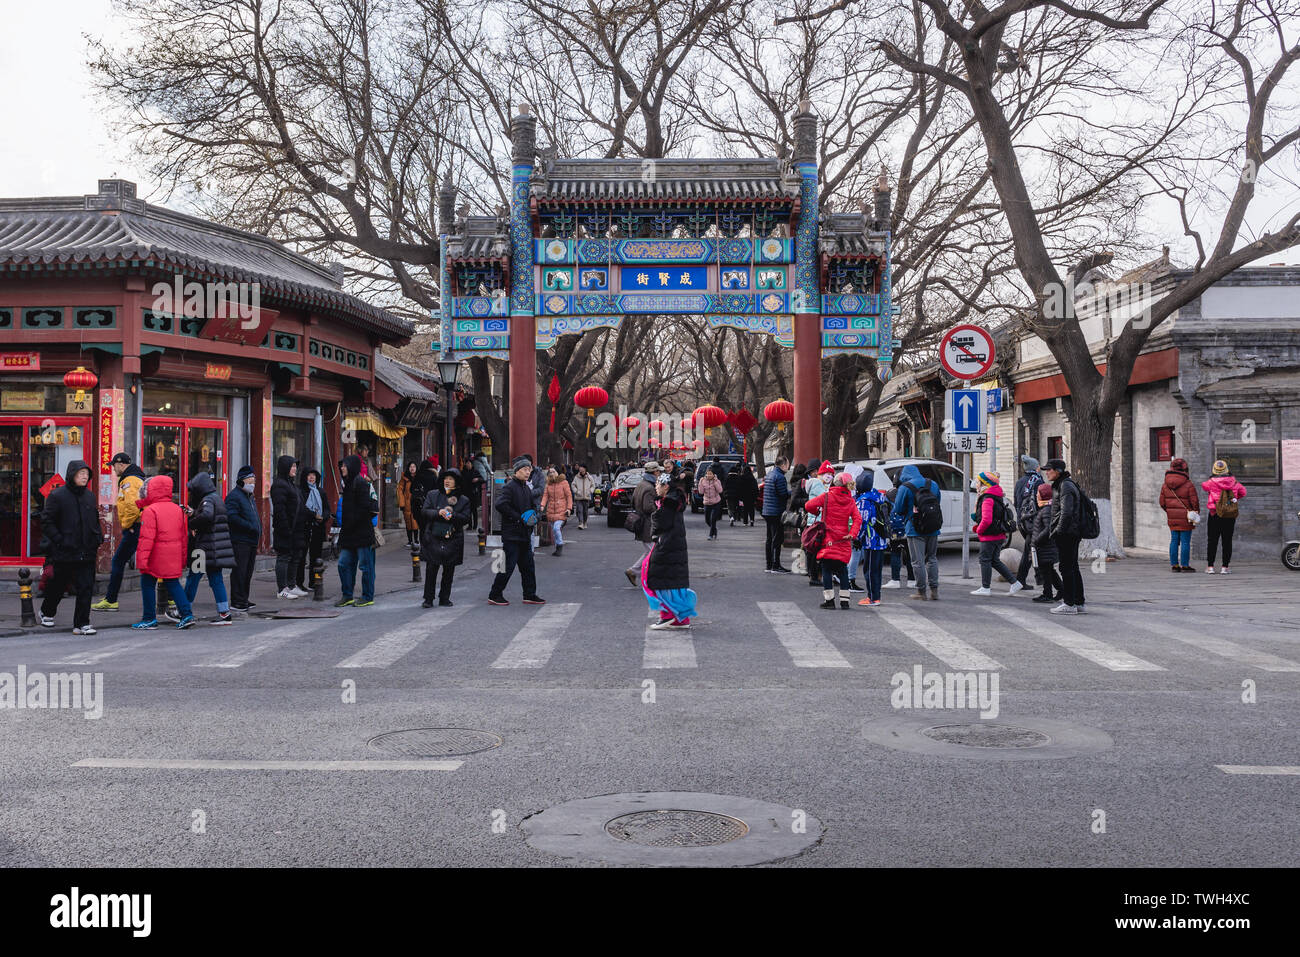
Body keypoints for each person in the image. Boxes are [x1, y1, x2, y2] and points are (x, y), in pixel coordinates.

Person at [37, 460, 102, 635]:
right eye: (81, 473)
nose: (84, 476)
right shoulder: (57, 495)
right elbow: (47, 521)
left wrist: (98, 538)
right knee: (59, 584)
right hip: (65, 550)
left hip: (86, 549)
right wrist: (59, 540)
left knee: (86, 587)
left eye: (87, 474)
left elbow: (94, 519)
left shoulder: (89, 495)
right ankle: (47, 612)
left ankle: (82, 623)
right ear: (71, 474)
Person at [131, 475, 196, 630]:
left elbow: (147, 539)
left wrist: (142, 560)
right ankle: (186, 615)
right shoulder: (177, 509)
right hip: (172, 554)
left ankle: (149, 618)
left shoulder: (150, 511)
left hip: (155, 555)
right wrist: (182, 558)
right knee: (173, 584)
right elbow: (183, 537)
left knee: (147, 584)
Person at [488, 456, 546, 606]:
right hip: (512, 535)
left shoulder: (526, 487)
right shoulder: (509, 486)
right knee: (506, 566)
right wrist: (518, 517)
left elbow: (532, 506)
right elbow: (500, 504)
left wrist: (535, 515)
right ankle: (495, 594)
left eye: (529, 470)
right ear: (517, 471)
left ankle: (529, 594)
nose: (528, 472)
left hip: (525, 534)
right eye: (525, 469)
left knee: (528, 567)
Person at [93, 452, 147, 611]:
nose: (113, 469)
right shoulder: (136, 477)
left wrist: (126, 525)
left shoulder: (129, 481)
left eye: (114, 466)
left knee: (117, 561)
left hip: (134, 527)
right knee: (150, 562)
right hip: (138, 525)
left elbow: (132, 507)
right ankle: (171, 599)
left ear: (121, 464)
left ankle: (111, 600)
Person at [643, 472, 697, 629]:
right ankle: (681, 619)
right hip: (673, 546)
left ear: (666, 486)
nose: (656, 488)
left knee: (653, 576)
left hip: (667, 545)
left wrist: (656, 514)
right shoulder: (672, 500)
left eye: (658, 485)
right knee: (673, 581)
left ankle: (667, 615)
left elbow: (660, 524)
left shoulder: (669, 503)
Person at [805, 471, 862, 609]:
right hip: (843, 539)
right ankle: (845, 601)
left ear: (835, 483)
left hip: (828, 540)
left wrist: (817, 512)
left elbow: (808, 506)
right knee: (842, 570)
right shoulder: (850, 501)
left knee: (826, 569)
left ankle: (829, 601)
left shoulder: (826, 497)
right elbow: (858, 519)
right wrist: (852, 534)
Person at [183, 471, 234, 624]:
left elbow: (206, 516)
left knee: (193, 578)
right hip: (214, 549)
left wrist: (192, 522)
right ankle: (224, 613)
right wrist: (194, 513)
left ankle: (183, 610)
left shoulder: (207, 500)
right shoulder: (216, 498)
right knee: (216, 579)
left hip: (204, 548)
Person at [420, 467, 471, 607]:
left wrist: (452, 515)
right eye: (445, 479)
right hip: (434, 536)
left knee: (449, 570)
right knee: (431, 568)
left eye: (451, 479)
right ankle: (428, 598)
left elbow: (466, 518)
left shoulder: (463, 499)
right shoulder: (433, 494)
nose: (447, 481)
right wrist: (438, 513)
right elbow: (424, 512)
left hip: (453, 537)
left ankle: (444, 597)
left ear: (457, 482)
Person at [335, 453, 379, 607]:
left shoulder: (360, 483)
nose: (342, 468)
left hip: (362, 533)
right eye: (342, 465)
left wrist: (351, 523)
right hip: (349, 534)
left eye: (345, 465)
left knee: (365, 566)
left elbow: (364, 508)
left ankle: (367, 596)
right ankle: (347, 595)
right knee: (343, 564)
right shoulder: (347, 483)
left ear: (352, 466)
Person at [894, 464, 942, 601]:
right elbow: (937, 501)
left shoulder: (905, 487)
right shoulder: (932, 484)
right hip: (933, 526)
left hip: (914, 529)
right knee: (932, 558)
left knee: (918, 561)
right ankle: (934, 590)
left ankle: (921, 592)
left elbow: (898, 508)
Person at [1044, 457, 1086, 614]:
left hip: (1067, 533)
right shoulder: (1064, 484)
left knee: (1066, 568)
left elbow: (1067, 512)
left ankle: (1069, 604)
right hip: (1070, 532)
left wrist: (1058, 531)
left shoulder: (1065, 486)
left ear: (1058, 471)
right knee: (1072, 567)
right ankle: (1078, 602)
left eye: (1049, 469)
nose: (1047, 472)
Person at [969, 470, 1016, 596]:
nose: (976, 484)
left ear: (984, 483)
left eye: (978, 482)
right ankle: (1015, 583)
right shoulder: (994, 495)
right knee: (994, 561)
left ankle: (985, 587)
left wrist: (978, 530)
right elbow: (979, 516)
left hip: (989, 535)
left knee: (984, 560)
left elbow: (987, 519)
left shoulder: (988, 498)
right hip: (997, 534)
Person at [225, 465, 260, 610]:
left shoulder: (249, 497)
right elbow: (231, 517)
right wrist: (249, 526)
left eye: (253, 481)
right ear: (241, 481)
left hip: (251, 540)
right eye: (249, 481)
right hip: (240, 540)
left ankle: (244, 598)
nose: (252, 484)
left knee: (247, 572)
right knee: (240, 571)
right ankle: (237, 601)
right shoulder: (234, 496)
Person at [1202, 459, 1246, 574]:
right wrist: (1233, 500)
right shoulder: (1234, 482)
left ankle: (1210, 567)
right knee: (1227, 541)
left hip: (1214, 514)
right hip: (1229, 514)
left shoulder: (1210, 482)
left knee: (1212, 540)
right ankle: (1225, 567)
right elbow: (1243, 492)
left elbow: (1204, 486)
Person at [854, 469, 891, 607]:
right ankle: (876, 596)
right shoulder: (878, 495)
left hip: (871, 540)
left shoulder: (864, 501)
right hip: (880, 539)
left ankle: (873, 598)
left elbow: (862, 522)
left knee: (869, 570)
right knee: (876, 570)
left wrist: (857, 538)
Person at [270, 455, 305, 599]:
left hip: (295, 528)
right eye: (292, 466)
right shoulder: (279, 484)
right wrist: (285, 528)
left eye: (296, 466)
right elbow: (280, 509)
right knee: (284, 556)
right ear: (285, 468)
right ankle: (282, 589)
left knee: (295, 556)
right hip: (285, 528)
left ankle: (291, 585)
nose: (295, 469)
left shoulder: (291, 484)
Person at [1159, 457, 1199, 573]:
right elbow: (1194, 501)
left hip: (1172, 518)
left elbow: (1162, 502)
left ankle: (1174, 565)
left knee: (1174, 541)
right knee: (1185, 542)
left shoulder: (1165, 484)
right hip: (1186, 518)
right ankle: (1185, 565)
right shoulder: (1188, 484)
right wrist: (1195, 512)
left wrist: (1170, 512)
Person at [625, 460, 662, 585]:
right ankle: (648, 576)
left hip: (642, 522)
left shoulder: (641, 484)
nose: (659, 474)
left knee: (650, 551)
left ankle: (633, 571)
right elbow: (648, 507)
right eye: (658, 471)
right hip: (647, 524)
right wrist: (659, 508)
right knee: (655, 553)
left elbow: (633, 502)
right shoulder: (649, 487)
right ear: (654, 472)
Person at [1012, 455, 1044, 593]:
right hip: (1034, 521)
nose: (1039, 469)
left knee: (1033, 548)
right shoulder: (1037, 481)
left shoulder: (1019, 482)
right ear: (1034, 468)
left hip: (1023, 521)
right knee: (1031, 550)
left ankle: (1038, 577)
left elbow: (1016, 502)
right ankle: (1022, 580)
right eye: (1038, 466)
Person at [295, 468, 329, 592]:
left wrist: (323, 517)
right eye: (309, 475)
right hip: (304, 527)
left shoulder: (321, 492)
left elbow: (327, 509)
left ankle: (315, 582)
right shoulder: (300, 491)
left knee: (317, 558)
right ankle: (299, 583)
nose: (311, 477)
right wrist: (314, 516)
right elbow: (301, 509)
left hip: (318, 528)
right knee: (301, 557)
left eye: (314, 475)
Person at [1030, 483, 1061, 604]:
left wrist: (1037, 540)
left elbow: (1048, 528)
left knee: (1046, 571)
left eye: (1038, 493)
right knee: (1049, 571)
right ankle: (1060, 589)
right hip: (1045, 546)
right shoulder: (1046, 508)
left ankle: (1047, 594)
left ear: (1043, 495)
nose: (1037, 495)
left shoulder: (1047, 509)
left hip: (1045, 546)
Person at [883, 479, 914, 589]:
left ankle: (895, 579)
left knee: (895, 553)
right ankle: (912, 580)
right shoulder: (909, 491)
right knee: (910, 555)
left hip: (894, 530)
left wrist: (887, 530)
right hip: (908, 527)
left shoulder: (889, 493)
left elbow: (885, 512)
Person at [761, 457, 791, 573]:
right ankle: (776, 565)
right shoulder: (780, 477)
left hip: (767, 511)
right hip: (776, 511)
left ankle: (769, 565)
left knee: (769, 538)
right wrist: (793, 492)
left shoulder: (770, 475)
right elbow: (782, 494)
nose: (787, 467)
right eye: (787, 464)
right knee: (777, 539)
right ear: (783, 465)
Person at [539, 467, 572, 556]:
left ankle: (560, 545)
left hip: (562, 510)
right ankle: (557, 547)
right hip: (550, 511)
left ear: (558, 473)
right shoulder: (548, 484)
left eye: (553, 471)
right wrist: (542, 505)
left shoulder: (564, 483)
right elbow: (545, 496)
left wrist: (569, 509)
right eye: (550, 472)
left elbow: (569, 496)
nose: (551, 473)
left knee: (556, 528)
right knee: (554, 531)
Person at [397, 461, 420, 549]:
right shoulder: (404, 478)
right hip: (407, 504)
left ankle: (416, 540)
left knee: (415, 522)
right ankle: (410, 541)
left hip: (416, 503)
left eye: (414, 466)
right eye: (410, 466)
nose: (412, 468)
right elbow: (400, 490)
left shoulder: (419, 477)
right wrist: (402, 503)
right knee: (408, 523)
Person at [698, 466, 723, 540]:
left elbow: (720, 490)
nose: (709, 475)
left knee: (713, 519)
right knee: (707, 520)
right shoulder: (703, 480)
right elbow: (701, 492)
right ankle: (714, 530)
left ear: (713, 474)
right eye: (707, 474)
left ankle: (711, 535)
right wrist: (700, 483)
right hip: (706, 503)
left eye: (710, 474)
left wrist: (715, 482)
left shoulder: (717, 481)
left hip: (716, 503)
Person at [571, 464, 595, 530]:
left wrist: (590, 491)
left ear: (585, 469)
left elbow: (593, 485)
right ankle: (580, 523)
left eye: (582, 469)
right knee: (579, 510)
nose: (580, 470)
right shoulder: (576, 477)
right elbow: (573, 485)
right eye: (580, 469)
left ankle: (585, 522)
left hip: (586, 497)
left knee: (585, 511)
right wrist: (576, 491)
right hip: (578, 497)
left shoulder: (589, 477)